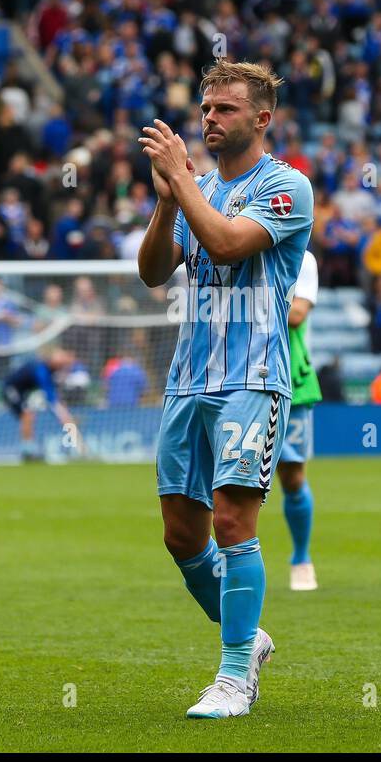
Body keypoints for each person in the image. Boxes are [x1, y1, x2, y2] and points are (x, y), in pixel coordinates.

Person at [136, 59, 313, 719]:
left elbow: (230, 243)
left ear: (261, 118)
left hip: (253, 378)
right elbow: (155, 271)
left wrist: (181, 183)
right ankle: (250, 636)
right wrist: (164, 201)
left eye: (225, 109)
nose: (210, 119)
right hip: (189, 379)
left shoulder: (287, 188)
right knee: (182, 534)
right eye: (206, 108)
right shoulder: (194, 188)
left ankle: (235, 675)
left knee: (234, 521)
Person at [278, 250, 321, 591]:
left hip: (291, 378)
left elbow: (296, 314)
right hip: (238, 372)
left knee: (292, 475)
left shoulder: (302, 259)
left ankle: (301, 558)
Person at [1, 347, 82, 461]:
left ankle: (28, 450)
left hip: (24, 392)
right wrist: (64, 417)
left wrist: (64, 414)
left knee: (29, 415)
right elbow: (51, 399)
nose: (64, 364)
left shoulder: (51, 372)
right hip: (11, 389)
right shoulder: (41, 370)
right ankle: (27, 451)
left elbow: (55, 397)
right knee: (27, 415)